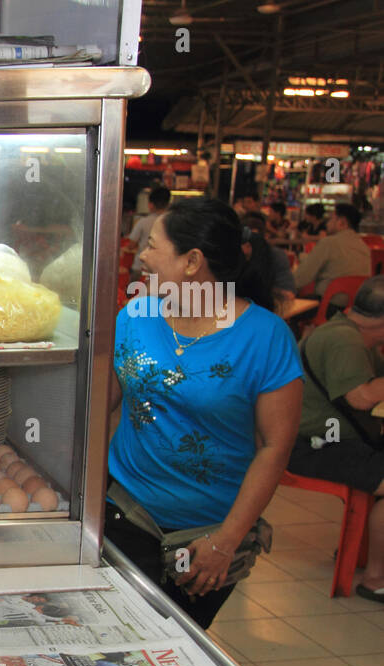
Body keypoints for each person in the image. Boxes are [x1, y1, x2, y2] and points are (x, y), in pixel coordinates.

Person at [106, 198, 303, 628]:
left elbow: (275, 447)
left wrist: (226, 541)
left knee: (174, 650)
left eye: (153, 246)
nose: (141, 255)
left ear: (192, 261)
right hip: (125, 512)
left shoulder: (265, 338)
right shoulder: (136, 315)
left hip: (208, 535)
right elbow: (103, 406)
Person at [285, 276, 384, 602]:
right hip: (313, 445)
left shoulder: (346, 331)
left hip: (330, 437)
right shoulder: (344, 340)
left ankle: (363, 551)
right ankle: (375, 579)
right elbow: (360, 397)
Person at [292, 202, 371, 310]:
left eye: (331, 219)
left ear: (342, 223)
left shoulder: (329, 243)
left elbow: (301, 278)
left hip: (328, 305)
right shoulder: (364, 247)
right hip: (353, 308)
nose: (327, 223)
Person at [240, 212, 296, 313]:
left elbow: (289, 294)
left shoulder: (275, 256)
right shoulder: (232, 257)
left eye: (256, 239)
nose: (249, 247)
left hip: (265, 311)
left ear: (265, 238)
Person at [127, 185, 170, 277]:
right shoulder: (172, 222)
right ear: (168, 204)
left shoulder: (143, 222)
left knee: (135, 291)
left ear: (150, 205)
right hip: (163, 270)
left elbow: (131, 245)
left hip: (141, 267)